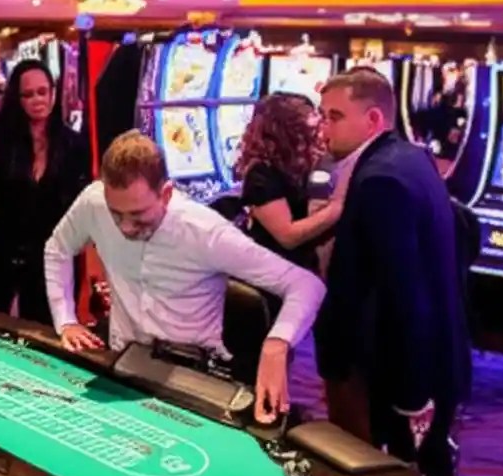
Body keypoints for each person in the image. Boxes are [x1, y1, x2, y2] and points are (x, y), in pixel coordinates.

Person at [43, 130, 326, 424]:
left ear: (165, 194)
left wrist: (277, 344)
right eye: (116, 214)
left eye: (138, 215)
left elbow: (306, 285)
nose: (125, 227)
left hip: (193, 379)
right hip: (123, 362)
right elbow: (57, 249)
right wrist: (66, 320)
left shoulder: (206, 232)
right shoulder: (94, 202)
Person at [315, 68, 471, 476]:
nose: (324, 129)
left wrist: (410, 395)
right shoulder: (410, 156)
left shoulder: (380, 179)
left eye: (335, 116)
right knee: (431, 469)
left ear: (374, 121)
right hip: (434, 350)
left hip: (403, 364)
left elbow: (406, 294)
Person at [0, 60, 89, 326]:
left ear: (53, 93)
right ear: (18, 99)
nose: (37, 100)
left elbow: (82, 203)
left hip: (48, 258)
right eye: (28, 94)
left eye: (42, 91)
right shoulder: (5, 141)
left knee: (43, 339)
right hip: (1, 253)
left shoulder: (74, 144)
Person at [234, 93, 344, 421]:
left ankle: (270, 412)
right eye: (311, 121)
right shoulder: (261, 174)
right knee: (264, 358)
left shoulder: (292, 165)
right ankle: (259, 417)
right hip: (267, 283)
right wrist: (338, 209)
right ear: (285, 129)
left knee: (284, 355)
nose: (318, 126)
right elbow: (288, 233)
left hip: (291, 279)